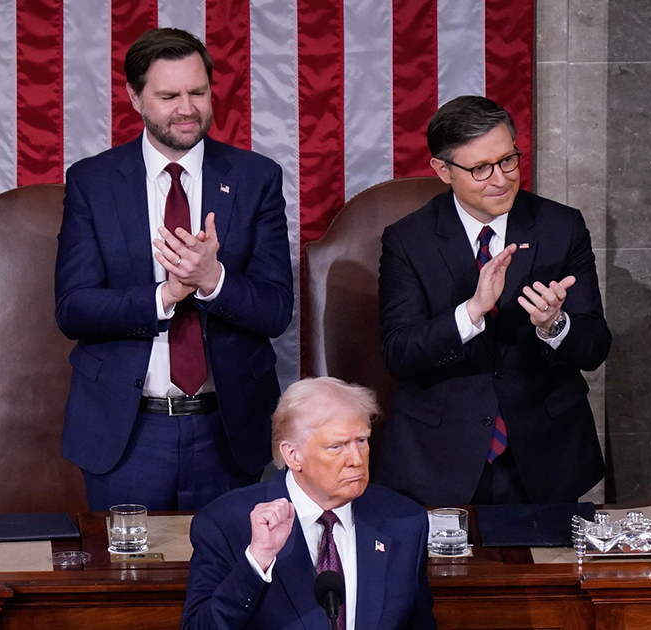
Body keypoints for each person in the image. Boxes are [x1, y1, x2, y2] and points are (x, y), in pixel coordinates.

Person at [55, 28, 293, 512]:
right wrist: (165, 295)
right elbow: (73, 308)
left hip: (226, 431)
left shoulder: (254, 178)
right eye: (168, 95)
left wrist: (213, 281)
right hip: (127, 432)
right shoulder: (92, 182)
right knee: (129, 583)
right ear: (134, 97)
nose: (187, 108)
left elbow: (276, 310)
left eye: (198, 92)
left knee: (233, 579)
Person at [376, 95, 610, 506]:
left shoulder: (562, 226)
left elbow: (594, 347)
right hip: (440, 458)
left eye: (508, 161)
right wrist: (471, 312)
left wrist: (554, 325)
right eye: (480, 169)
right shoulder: (407, 240)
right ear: (442, 170)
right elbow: (399, 353)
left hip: (545, 454)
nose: (501, 179)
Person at [183, 377, 436, 630]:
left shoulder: (405, 522)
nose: (356, 459)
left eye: (361, 441)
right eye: (336, 446)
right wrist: (257, 561)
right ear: (293, 455)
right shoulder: (225, 524)